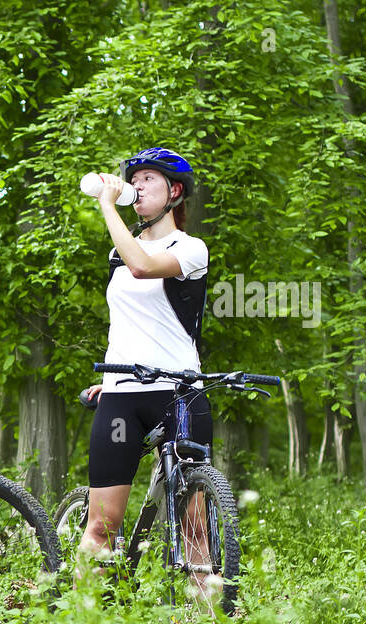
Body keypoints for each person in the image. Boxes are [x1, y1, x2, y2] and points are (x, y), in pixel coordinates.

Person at [78, 147, 214, 571]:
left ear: (174, 192)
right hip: (122, 392)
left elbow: (142, 267)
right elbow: (126, 321)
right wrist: (112, 379)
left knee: (194, 526)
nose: (135, 185)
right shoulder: (120, 250)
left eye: (147, 179)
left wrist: (105, 204)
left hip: (179, 393)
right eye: (131, 179)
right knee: (103, 526)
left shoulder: (190, 248)